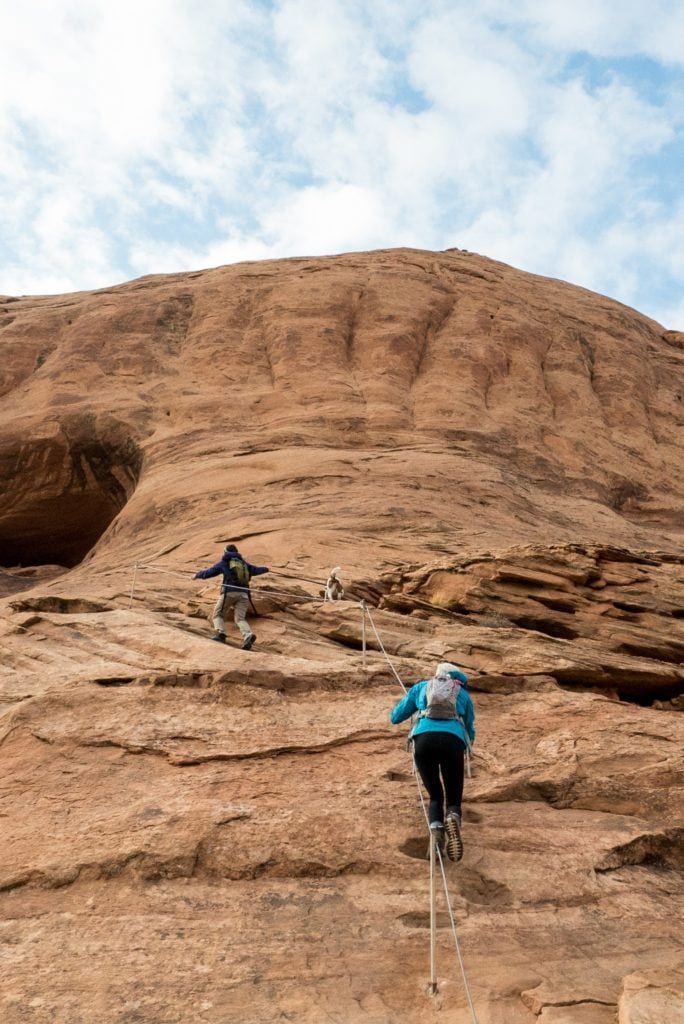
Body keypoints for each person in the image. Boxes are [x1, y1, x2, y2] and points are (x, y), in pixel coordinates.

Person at [390, 661, 475, 861]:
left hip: (423, 741)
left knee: (436, 795)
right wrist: (468, 746)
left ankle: (436, 833)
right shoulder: (462, 694)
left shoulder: (422, 687)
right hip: (452, 742)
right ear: (456, 678)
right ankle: (452, 817)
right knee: (453, 797)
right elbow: (469, 726)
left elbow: (396, 717)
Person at [193, 543, 269, 649]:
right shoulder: (243, 563)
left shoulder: (224, 562)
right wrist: (266, 568)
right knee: (240, 618)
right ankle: (248, 635)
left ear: (225, 552)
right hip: (244, 595)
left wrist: (197, 575)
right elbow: (256, 570)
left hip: (229, 592)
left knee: (217, 614)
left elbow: (209, 572)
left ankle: (221, 634)